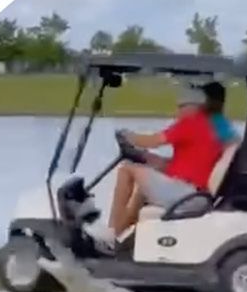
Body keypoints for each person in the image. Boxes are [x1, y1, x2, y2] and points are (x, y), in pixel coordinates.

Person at [89, 82, 229, 251]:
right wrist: (145, 157)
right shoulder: (210, 127)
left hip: (187, 195)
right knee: (142, 187)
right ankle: (119, 237)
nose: (179, 111)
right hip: (193, 194)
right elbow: (174, 164)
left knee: (126, 169)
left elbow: (152, 141)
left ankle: (110, 233)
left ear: (195, 106)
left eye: (182, 106)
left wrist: (126, 134)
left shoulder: (191, 123)